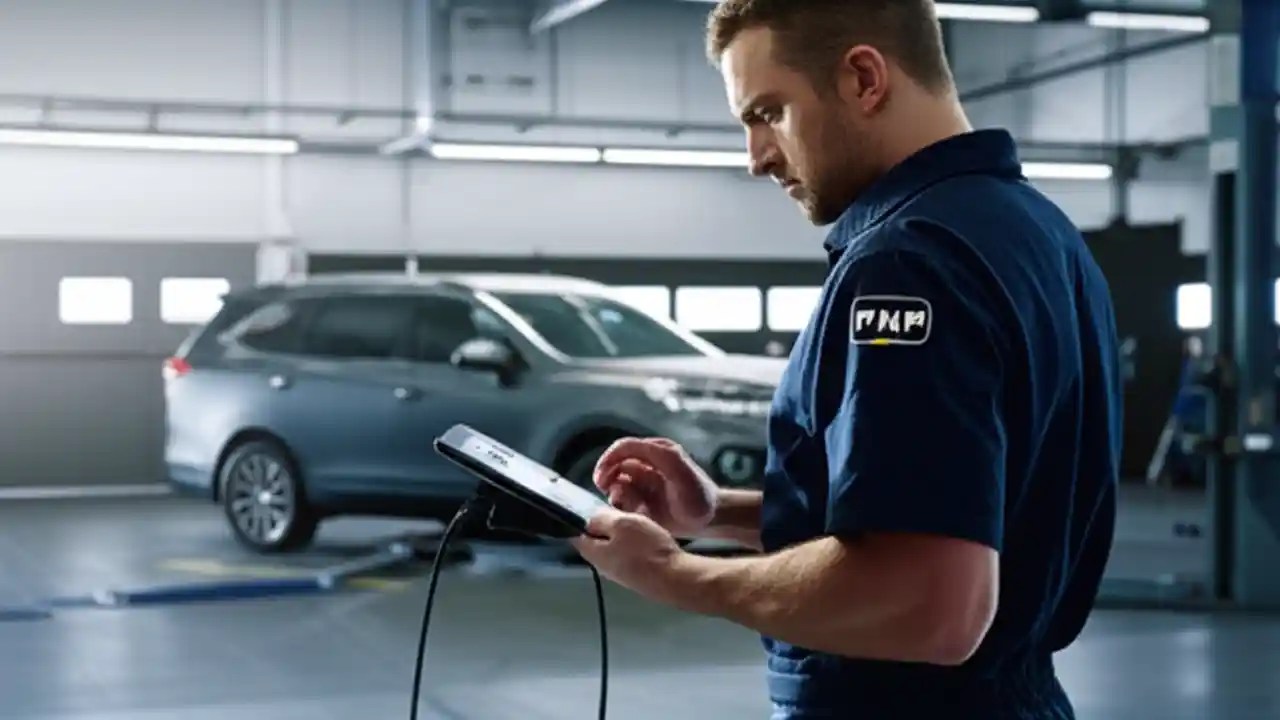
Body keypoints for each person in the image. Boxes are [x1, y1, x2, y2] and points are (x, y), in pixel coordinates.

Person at [569, 1, 1123, 718]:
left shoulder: (909, 265)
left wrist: (677, 574)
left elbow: (931, 603)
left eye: (768, 111)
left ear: (865, 78)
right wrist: (716, 514)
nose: (756, 157)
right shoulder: (1039, 233)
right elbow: (939, 511)